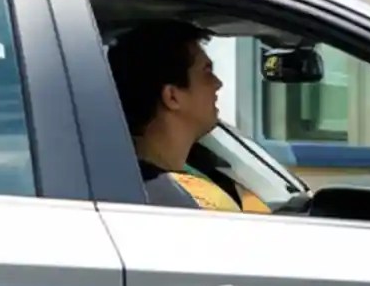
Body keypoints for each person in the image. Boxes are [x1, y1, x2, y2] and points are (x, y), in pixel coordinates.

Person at [106, 19, 269, 212]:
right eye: (207, 72)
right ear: (172, 96)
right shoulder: (201, 203)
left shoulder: (117, 181)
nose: (218, 83)